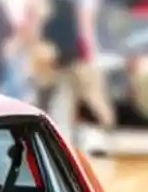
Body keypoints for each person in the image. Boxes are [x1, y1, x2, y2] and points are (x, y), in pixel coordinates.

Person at [35, 0, 116, 147]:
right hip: (73, 58)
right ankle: (106, 133)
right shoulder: (69, 6)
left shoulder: (58, 7)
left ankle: (106, 132)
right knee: (83, 100)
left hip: (70, 59)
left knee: (87, 99)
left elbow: (52, 31)